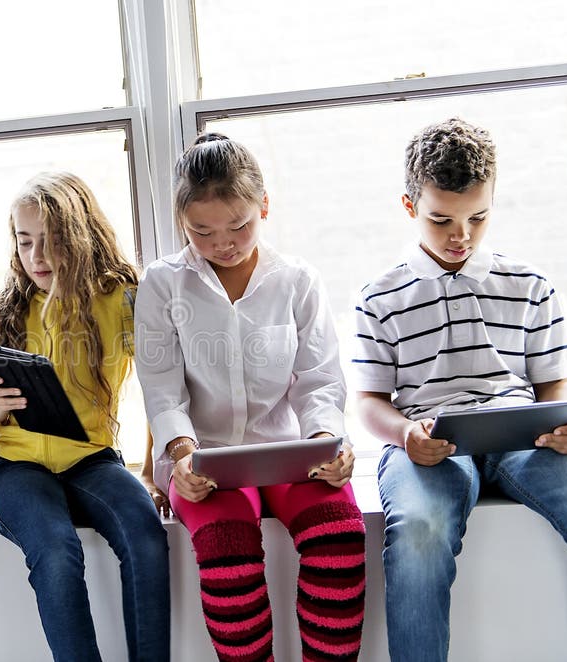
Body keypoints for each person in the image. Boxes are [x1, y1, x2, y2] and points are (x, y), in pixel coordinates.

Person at [353, 117, 567, 662]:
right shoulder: (380, 296)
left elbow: (555, 379)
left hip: (523, 436)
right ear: (409, 206)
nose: (461, 235)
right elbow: (368, 402)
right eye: (441, 220)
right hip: (429, 440)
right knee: (418, 534)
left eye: (477, 217)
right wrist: (404, 433)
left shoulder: (530, 284)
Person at [135, 133, 366, 662]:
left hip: (289, 453)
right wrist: (182, 457)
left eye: (239, 225)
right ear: (181, 222)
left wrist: (329, 442)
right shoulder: (162, 285)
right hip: (200, 459)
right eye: (202, 231)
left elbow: (320, 383)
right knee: (227, 551)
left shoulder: (297, 280)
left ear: (265, 205)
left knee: (339, 537)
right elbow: (162, 389)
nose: (223, 243)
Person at [0, 171, 170, 662]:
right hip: (18, 467)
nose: (36, 258)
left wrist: (150, 471)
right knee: (57, 552)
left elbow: (158, 388)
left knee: (144, 534)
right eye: (25, 243)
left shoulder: (122, 297)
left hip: (92, 459)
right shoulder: (6, 310)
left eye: (52, 242)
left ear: (81, 238)